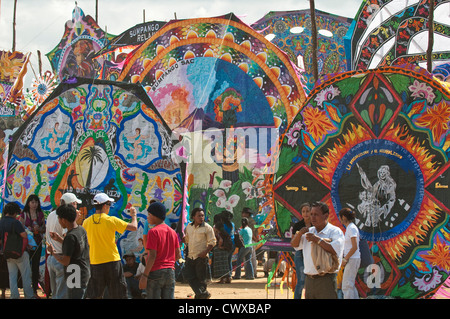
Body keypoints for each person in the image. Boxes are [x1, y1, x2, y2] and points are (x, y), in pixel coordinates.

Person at [82, 192, 138, 299]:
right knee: (118, 294)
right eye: (109, 205)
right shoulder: (111, 220)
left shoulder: (86, 222)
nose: (109, 207)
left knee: (95, 295)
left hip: (95, 262)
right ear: (104, 205)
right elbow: (134, 227)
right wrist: (133, 216)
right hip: (112, 262)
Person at [291, 201, 344, 299]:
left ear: (326, 216)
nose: (312, 217)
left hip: (326, 280)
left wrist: (317, 240)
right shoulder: (309, 231)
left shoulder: (335, 232)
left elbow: (335, 250)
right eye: (311, 214)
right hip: (310, 280)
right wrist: (299, 234)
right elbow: (294, 245)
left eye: (316, 214)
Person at [139, 201, 181, 299]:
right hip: (170, 272)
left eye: (149, 214)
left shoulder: (153, 232)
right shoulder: (172, 232)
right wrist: (168, 264)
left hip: (155, 273)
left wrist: (144, 275)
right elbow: (178, 255)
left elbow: (152, 256)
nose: (147, 217)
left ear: (155, 215)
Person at [47, 204, 90, 299]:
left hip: (74, 276)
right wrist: (60, 240)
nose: (58, 221)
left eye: (59, 218)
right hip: (84, 272)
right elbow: (75, 248)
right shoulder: (80, 230)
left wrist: (53, 252)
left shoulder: (70, 237)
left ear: (63, 220)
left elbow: (65, 261)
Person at [0, 202, 34, 299]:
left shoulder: (1, 222)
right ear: (15, 213)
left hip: (7, 253)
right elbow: (24, 235)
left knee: (12, 276)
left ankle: (14, 295)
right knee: (26, 275)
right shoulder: (15, 222)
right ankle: (29, 295)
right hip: (20, 253)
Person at [182, 207, 216, 299]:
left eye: (202, 216)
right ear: (193, 217)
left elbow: (212, 242)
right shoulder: (189, 226)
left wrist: (205, 252)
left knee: (201, 279)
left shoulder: (207, 228)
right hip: (190, 255)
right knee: (189, 276)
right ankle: (203, 293)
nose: (201, 217)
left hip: (201, 257)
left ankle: (200, 295)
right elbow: (187, 240)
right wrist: (182, 238)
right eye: (199, 216)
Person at [20, 194, 45, 298]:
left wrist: (38, 229)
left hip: (37, 244)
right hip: (26, 245)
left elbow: (44, 229)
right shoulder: (24, 214)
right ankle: (26, 291)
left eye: (36, 202)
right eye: (32, 202)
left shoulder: (40, 214)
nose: (34, 204)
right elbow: (19, 229)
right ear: (28, 203)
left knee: (35, 267)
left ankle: (34, 290)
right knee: (26, 268)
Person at [291, 202, 311, 299]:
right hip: (300, 254)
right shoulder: (297, 226)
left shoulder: (316, 225)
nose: (306, 213)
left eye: (308, 211)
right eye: (303, 211)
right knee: (301, 280)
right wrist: (300, 234)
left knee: (312, 281)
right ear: (301, 213)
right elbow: (293, 243)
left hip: (313, 254)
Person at [339, 207, 361, 299]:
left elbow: (354, 246)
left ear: (343, 217)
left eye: (340, 217)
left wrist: (345, 258)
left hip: (352, 259)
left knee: (346, 286)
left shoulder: (351, 228)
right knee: (350, 285)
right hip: (352, 259)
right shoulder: (350, 228)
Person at [212, 213, 233, 283]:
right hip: (228, 246)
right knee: (226, 263)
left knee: (220, 264)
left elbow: (220, 239)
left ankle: (222, 279)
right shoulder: (231, 225)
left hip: (220, 248)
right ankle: (228, 278)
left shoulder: (219, 228)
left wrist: (219, 246)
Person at [241, 207, 258, 278]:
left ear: (247, 214)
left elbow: (251, 232)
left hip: (250, 240)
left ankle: (252, 273)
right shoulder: (250, 220)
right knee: (251, 257)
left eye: (243, 213)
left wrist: (254, 239)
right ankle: (251, 272)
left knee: (250, 258)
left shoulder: (249, 221)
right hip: (251, 240)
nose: (242, 214)